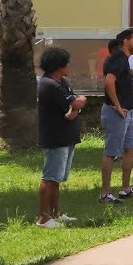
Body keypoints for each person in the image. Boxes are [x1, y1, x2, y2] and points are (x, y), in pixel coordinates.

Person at [36, 47, 86, 228]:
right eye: (67, 62)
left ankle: (55, 215)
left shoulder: (62, 82)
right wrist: (77, 104)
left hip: (66, 136)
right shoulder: (50, 84)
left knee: (57, 179)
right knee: (49, 177)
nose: (69, 66)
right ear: (58, 65)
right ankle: (43, 218)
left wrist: (76, 106)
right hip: (55, 137)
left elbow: (75, 103)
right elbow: (75, 101)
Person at [100, 30, 133, 203]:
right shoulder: (118, 58)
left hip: (127, 112)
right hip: (117, 111)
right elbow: (109, 82)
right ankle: (105, 194)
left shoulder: (123, 60)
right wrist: (118, 106)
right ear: (126, 41)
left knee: (131, 147)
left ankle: (125, 188)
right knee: (112, 152)